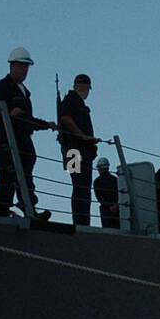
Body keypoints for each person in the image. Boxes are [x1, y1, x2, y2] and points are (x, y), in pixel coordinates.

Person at [0, 46, 53, 221]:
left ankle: (29, 208)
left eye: (26, 67)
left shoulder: (23, 91)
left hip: (23, 140)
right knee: (9, 175)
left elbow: (26, 119)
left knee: (26, 175)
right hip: (7, 138)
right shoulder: (0, 87)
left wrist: (45, 125)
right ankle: (2, 211)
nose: (24, 70)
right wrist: (6, 113)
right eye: (21, 66)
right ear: (12, 65)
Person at [58, 74, 100, 226]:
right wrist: (83, 137)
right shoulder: (72, 100)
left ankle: (81, 220)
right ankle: (81, 221)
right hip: (75, 151)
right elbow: (66, 119)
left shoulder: (75, 101)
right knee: (81, 186)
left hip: (73, 151)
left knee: (80, 186)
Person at [93, 157, 121, 229]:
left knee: (108, 230)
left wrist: (109, 206)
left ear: (99, 168)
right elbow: (121, 194)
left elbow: (100, 198)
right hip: (118, 209)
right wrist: (116, 205)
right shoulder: (115, 179)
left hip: (106, 210)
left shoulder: (97, 181)